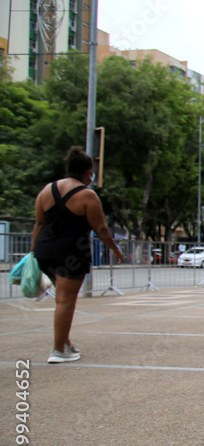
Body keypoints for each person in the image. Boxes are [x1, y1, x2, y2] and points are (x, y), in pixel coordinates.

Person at [31, 146, 124, 363]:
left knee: (62, 299)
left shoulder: (47, 190)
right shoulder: (87, 195)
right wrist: (115, 250)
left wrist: (33, 252)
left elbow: (39, 223)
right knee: (65, 301)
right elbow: (101, 229)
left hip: (45, 251)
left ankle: (65, 342)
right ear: (88, 172)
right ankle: (57, 350)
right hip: (71, 253)